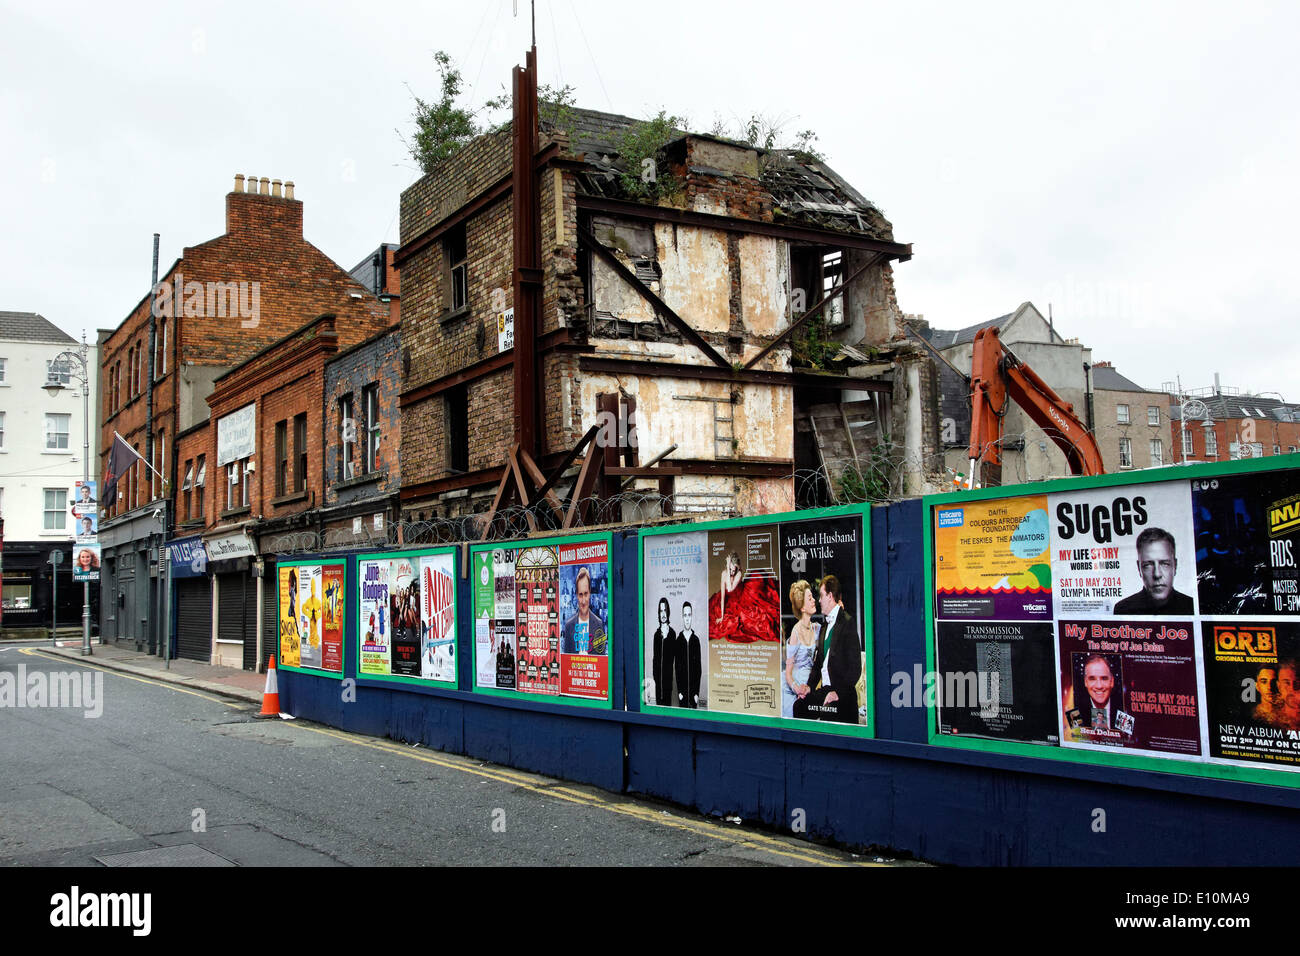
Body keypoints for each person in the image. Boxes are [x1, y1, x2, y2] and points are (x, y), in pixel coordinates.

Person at [793, 575, 861, 723]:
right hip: (825, 690)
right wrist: (809, 687)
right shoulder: (824, 626)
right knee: (799, 706)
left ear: (830, 596)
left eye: (822, 596)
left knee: (828, 712)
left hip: (842, 694)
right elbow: (818, 664)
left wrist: (838, 693)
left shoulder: (847, 622)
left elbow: (855, 668)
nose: (819, 600)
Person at [1113, 527, 1194, 615]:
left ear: (1175, 566)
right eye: (1148, 565)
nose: (1157, 574)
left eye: (1165, 564)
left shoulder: (1192, 606)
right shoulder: (1123, 610)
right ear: (1139, 569)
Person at [782, 580, 819, 719]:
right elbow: (788, 673)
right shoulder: (795, 632)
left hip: (811, 682)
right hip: (796, 684)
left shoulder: (816, 628)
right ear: (802, 608)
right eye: (810, 598)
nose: (814, 600)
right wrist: (796, 688)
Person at [562, 567, 607, 654]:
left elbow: (602, 658)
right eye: (580, 595)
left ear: (590, 593)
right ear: (576, 596)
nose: (583, 601)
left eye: (586, 594)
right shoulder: (569, 626)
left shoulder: (599, 624)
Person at [1079, 654, 1121, 729]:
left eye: (1104, 678)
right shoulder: (1074, 712)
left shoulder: (1125, 711)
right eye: (1092, 679)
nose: (1099, 686)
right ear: (1085, 682)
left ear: (1112, 682)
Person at [673, 601, 702, 708]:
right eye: (685, 615)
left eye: (689, 615)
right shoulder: (678, 640)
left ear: (692, 616)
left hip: (693, 693)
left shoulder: (696, 640)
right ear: (682, 617)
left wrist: (696, 693)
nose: (687, 618)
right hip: (682, 693)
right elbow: (677, 668)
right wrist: (680, 691)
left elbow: (698, 669)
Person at [651, 597, 676, 706]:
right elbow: (655, 658)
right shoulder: (656, 635)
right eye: (661, 611)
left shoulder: (672, 634)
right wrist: (656, 677)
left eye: (665, 610)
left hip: (668, 682)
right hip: (658, 683)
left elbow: (675, 660)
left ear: (668, 611)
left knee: (667, 706)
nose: (663, 614)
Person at [716, 551, 743, 624]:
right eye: (730, 570)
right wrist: (722, 616)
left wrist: (728, 568)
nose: (731, 572)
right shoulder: (724, 574)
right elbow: (722, 597)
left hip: (739, 599)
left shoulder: (739, 574)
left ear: (737, 569)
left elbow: (729, 588)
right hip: (728, 599)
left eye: (733, 570)